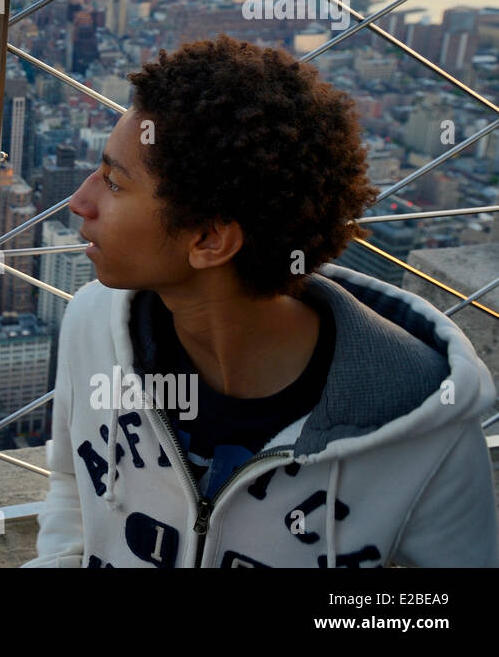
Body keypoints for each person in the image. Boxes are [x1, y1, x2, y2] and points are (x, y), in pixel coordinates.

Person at [24, 35, 499, 568]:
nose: (79, 200)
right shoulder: (93, 321)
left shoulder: (424, 422)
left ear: (209, 240)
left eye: (113, 182)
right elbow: (71, 481)